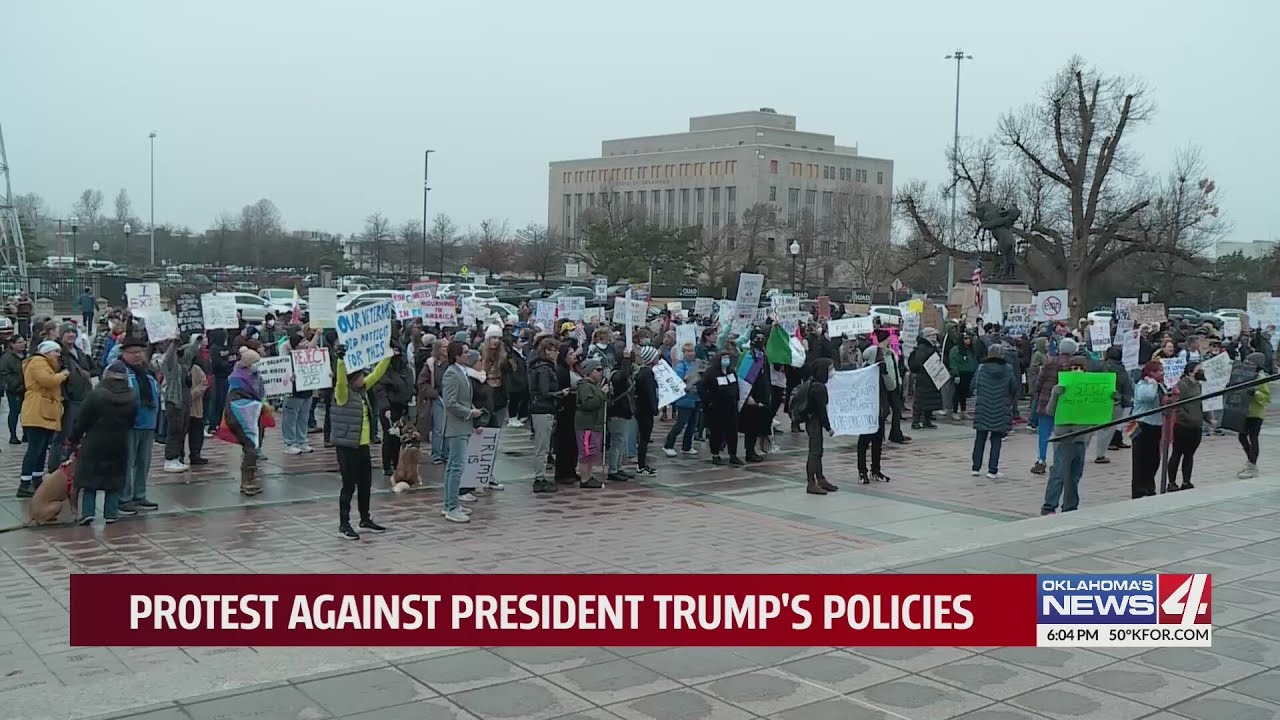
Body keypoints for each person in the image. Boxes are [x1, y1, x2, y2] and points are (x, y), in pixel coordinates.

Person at [330, 347, 392, 539]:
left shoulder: (362, 390)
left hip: (362, 445)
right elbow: (340, 379)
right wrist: (340, 361)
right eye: (359, 376)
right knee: (348, 486)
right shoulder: (342, 393)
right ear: (351, 379)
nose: (363, 378)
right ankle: (343, 524)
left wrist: (387, 356)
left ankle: (365, 518)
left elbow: (377, 373)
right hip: (347, 447)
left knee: (365, 484)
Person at [69, 363, 136, 525]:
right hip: (119, 441)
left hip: (95, 440)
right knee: (114, 479)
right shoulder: (131, 396)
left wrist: (74, 439)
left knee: (89, 478)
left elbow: (82, 420)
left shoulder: (96, 394)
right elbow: (131, 420)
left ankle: (88, 513)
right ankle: (111, 513)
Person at [1041, 355, 1098, 514]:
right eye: (1074, 368)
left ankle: (1071, 505)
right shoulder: (1060, 386)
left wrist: (1110, 399)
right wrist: (1055, 394)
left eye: (1081, 368)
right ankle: (1049, 505)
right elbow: (1050, 411)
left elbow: (1099, 414)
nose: (1078, 371)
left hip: (1081, 437)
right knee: (1059, 472)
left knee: (1075, 474)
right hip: (1064, 437)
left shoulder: (1089, 388)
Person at [15, 341, 69, 497]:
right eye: (55, 352)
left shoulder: (47, 363)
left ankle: (36, 479)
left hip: (45, 412)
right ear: (47, 352)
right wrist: (63, 374)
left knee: (41, 449)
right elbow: (47, 381)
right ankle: (24, 484)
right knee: (35, 449)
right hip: (36, 411)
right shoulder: (38, 362)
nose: (58, 355)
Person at [440, 340, 482, 523]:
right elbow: (450, 402)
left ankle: (450, 502)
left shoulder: (461, 372)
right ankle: (451, 507)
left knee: (454, 467)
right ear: (456, 355)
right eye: (465, 352)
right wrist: (469, 413)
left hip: (463, 425)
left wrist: (473, 416)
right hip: (456, 426)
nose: (468, 354)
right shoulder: (451, 374)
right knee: (456, 467)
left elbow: (464, 399)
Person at [1031, 337, 1079, 475]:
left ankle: (1041, 460)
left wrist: (1038, 395)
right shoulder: (1075, 365)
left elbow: (1039, 382)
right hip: (1066, 405)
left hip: (1046, 401)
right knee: (1062, 434)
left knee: (1044, 434)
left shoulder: (1050, 361)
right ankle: (1059, 461)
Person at [971, 344, 1019, 479]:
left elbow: (973, 385)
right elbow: (1014, 388)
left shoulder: (981, 368)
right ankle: (992, 470)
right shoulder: (1008, 369)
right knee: (996, 440)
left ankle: (976, 467)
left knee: (980, 438)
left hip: (983, 407)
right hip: (1000, 408)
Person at [160, 337, 200, 473]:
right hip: (174, 402)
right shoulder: (171, 367)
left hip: (185, 402)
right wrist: (174, 344)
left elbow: (192, 351)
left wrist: (197, 341)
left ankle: (178, 457)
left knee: (182, 430)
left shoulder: (185, 366)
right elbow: (168, 358)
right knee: (174, 431)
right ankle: (170, 458)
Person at [374, 341, 415, 475]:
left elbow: (410, 385)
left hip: (403, 407)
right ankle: (387, 465)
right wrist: (385, 407)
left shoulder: (405, 368)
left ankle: (397, 463)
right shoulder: (383, 370)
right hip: (389, 408)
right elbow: (380, 390)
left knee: (399, 438)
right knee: (389, 437)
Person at [527, 338, 561, 493]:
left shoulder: (540, 367)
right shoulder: (544, 369)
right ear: (548, 351)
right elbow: (544, 391)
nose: (557, 353)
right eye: (555, 350)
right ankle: (539, 478)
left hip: (542, 408)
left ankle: (540, 476)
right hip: (542, 409)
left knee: (543, 445)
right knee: (542, 446)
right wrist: (560, 393)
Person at [1130, 360, 1167, 498]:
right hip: (1142, 424)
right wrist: (1152, 383)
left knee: (1153, 459)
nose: (1163, 373)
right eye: (1160, 371)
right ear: (1151, 373)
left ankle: (1149, 485)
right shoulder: (1143, 385)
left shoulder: (1159, 385)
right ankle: (1139, 489)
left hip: (1156, 425)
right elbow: (1148, 397)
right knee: (1140, 459)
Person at [1167, 360, 1204, 491]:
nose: (1202, 372)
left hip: (1196, 425)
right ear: (1190, 372)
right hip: (1183, 426)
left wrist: (1207, 418)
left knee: (1189, 454)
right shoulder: (1182, 385)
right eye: (1199, 369)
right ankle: (1171, 482)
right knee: (1177, 453)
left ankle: (1186, 481)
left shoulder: (1199, 385)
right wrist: (1186, 416)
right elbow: (1176, 405)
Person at [699, 351, 742, 466]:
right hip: (717, 408)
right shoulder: (711, 373)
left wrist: (737, 399)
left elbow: (736, 386)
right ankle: (715, 455)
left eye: (728, 357)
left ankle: (733, 455)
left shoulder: (731, 371)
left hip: (731, 406)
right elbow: (702, 388)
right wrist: (709, 402)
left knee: (732, 431)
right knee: (717, 432)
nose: (726, 360)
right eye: (724, 358)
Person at [1094, 345, 1135, 462]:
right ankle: (1100, 454)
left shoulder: (1101, 367)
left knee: (1099, 428)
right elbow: (1126, 387)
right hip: (1116, 402)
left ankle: (1098, 452)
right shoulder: (1121, 370)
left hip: (1100, 401)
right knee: (1107, 429)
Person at [281, 326, 317, 456]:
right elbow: (283, 367)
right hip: (293, 390)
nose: (305, 345)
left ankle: (302, 441)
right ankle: (290, 443)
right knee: (290, 417)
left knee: (303, 416)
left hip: (307, 388)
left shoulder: (308, 352)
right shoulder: (286, 350)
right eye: (302, 343)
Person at [574, 358, 610, 488]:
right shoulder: (585, 386)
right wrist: (602, 393)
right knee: (586, 452)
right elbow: (588, 404)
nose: (601, 373)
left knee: (591, 452)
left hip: (594, 424)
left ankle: (588, 475)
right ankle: (584, 478)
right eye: (598, 370)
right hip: (587, 424)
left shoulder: (594, 386)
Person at [803, 358, 836, 495]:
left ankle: (820, 478)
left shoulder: (813, 384)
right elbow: (821, 410)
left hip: (812, 420)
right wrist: (828, 427)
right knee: (815, 452)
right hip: (814, 421)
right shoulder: (819, 388)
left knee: (818, 451)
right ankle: (811, 483)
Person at [662, 342, 701, 457]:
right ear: (684, 353)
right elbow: (677, 380)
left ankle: (687, 446)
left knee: (692, 424)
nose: (691, 353)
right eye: (688, 351)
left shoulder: (696, 364)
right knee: (680, 423)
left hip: (696, 397)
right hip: (685, 399)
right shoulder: (681, 365)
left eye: (692, 351)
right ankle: (668, 445)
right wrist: (686, 378)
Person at [1237, 352, 1270, 479]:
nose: (1247, 364)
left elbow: (1266, 398)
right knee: (1242, 437)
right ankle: (1251, 461)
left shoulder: (1261, 377)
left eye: (1250, 362)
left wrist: (1255, 393)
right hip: (1245, 411)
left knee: (1253, 437)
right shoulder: (1247, 375)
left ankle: (1252, 466)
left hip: (1256, 413)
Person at [605, 347, 634, 482]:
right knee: (617, 441)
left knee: (621, 441)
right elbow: (623, 377)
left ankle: (618, 466)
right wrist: (627, 360)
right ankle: (613, 469)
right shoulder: (617, 375)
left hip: (621, 412)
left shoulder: (613, 373)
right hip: (618, 412)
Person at [553, 344, 581, 483]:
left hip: (575, 409)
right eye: (570, 354)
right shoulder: (562, 371)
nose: (574, 356)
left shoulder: (575, 369)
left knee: (573, 441)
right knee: (565, 440)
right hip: (566, 409)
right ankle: (563, 471)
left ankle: (571, 469)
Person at [907, 328, 943, 430]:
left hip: (932, 377)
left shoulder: (932, 347)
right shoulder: (922, 348)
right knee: (920, 400)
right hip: (924, 378)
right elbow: (919, 362)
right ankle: (916, 420)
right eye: (932, 335)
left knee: (930, 400)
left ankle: (927, 420)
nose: (935, 337)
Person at [633, 346, 660, 475]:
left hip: (642, 409)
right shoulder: (647, 373)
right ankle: (641, 465)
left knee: (643, 437)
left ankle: (642, 464)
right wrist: (654, 408)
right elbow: (650, 393)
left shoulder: (643, 372)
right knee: (644, 438)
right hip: (645, 410)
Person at [947, 332, 979, 421]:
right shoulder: (955, 350)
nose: (968, 340)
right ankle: (954, 411)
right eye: (965, 338)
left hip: (969, 374)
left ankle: (963, 411)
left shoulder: (971, 350)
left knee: (964, 394)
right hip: (960, 374)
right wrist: (955, 374)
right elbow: (953, 362)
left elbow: (974, 361)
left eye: (969, 338)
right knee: (957, 393)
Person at [0, 335, 24, 444]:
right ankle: (13, 435)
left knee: (25, 412)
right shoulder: (7, 358)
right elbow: (4, 373)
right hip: (14, 390)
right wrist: (14, 384)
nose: (22, 344)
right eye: (19, 342)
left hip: (26, 388)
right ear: (12, 344)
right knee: (14, 412)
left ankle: (26, 434)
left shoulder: (25, 356)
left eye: (23, 342)